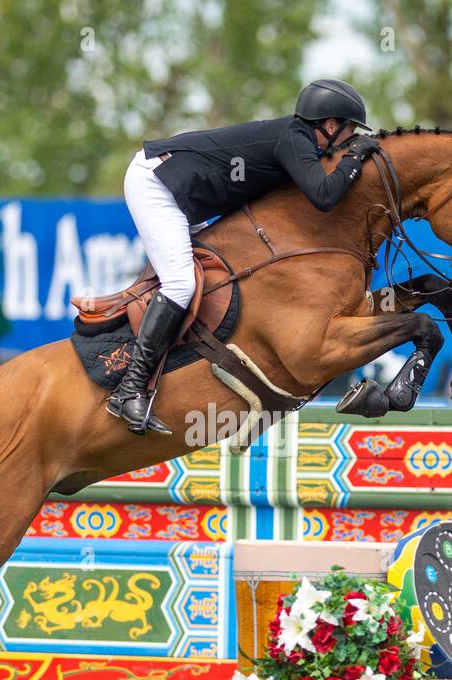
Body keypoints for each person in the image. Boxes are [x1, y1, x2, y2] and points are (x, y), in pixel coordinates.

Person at [109, 79, 379, 434]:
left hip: (184, 189)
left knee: (208, 281)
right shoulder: (295, 140)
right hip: (157, 183)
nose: (349, 141)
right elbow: (325, 196)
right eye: (349, 133)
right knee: (180, 284)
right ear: (330, 126)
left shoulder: (298, 142)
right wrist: (357, 156)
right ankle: (128, 390)